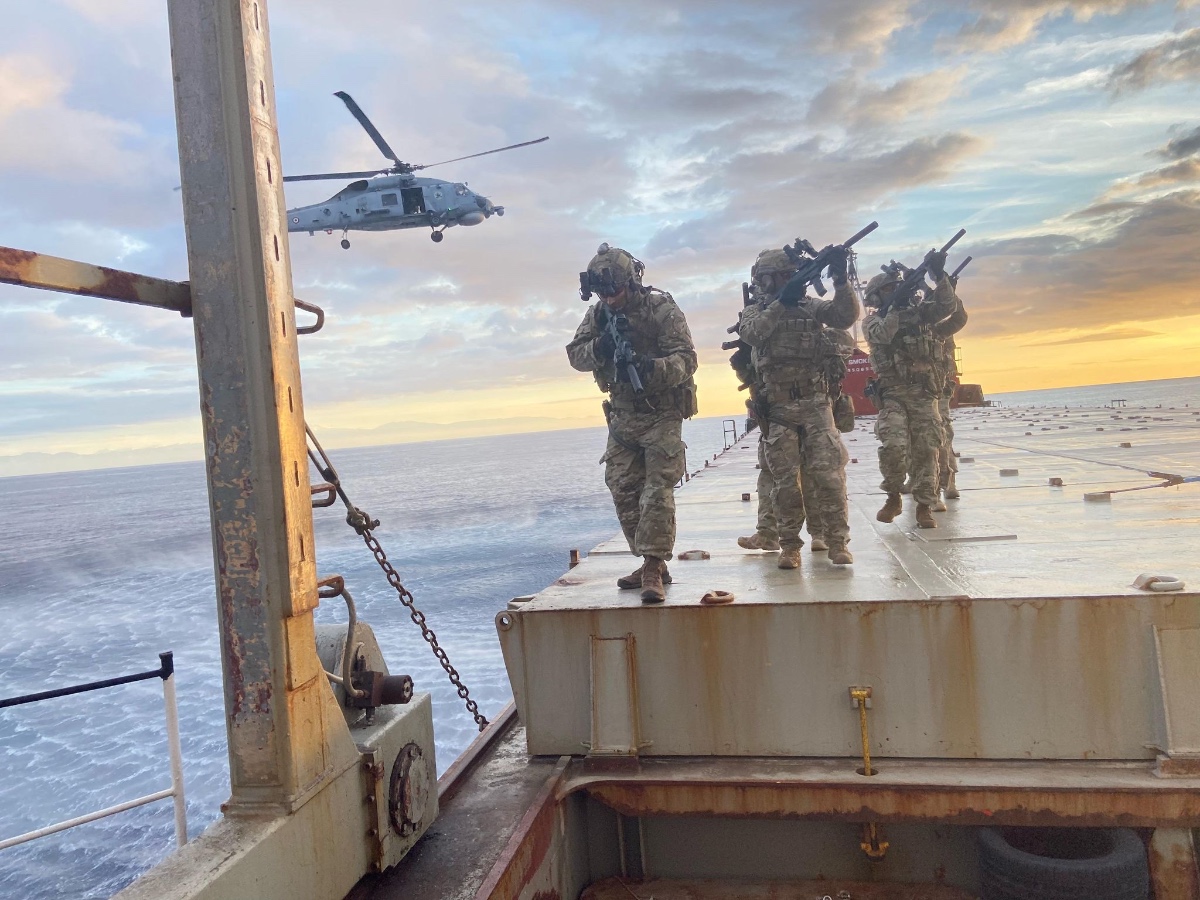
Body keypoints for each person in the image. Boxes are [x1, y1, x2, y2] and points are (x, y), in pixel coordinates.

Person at [566, 244, 698, 603]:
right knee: (622, 488)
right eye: (602, 293)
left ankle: (654, 566)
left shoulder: (661, 309)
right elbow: (575, 355)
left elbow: (687, 360)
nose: (609, 299)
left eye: (615, 291)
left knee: (657, 491)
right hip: (623, 417)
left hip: (661, 413)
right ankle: (648, 561)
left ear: (632, 281)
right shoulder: (598, 315)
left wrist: (649, 367)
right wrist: (602, 348)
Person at [739, 246, 858, 568]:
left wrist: (841, 280)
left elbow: (844, 317)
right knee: (785, 483)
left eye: (791, 276)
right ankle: (790, 545)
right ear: (766, 280)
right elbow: (752, 334)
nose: (790, 281)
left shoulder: (810, 306)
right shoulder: (756, 311)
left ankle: (837, 542)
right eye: (783, 276)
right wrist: (782, 302)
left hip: (816, 404)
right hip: (779, 408)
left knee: (829, 476)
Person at [862, 251, 959, 529]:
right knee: (893, 446)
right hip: (893, 395)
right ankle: (893, 495)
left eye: (897, 288)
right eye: (889, 290)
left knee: (927, 449)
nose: (896, 292)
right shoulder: (872, 321)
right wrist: (895, 307)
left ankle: (924, 505)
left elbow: (946, 306)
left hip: (923, 393)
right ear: (878, 297)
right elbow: (882, 335)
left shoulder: (920, 314)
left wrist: (939, 277)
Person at [931, 292, 968, 508]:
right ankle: (933, 484)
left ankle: (947, 482)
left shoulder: (938, 326)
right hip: (925, 387)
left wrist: (947, 290)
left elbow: (958, 317)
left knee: (942, 436)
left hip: (939, 387)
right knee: (925, 438)